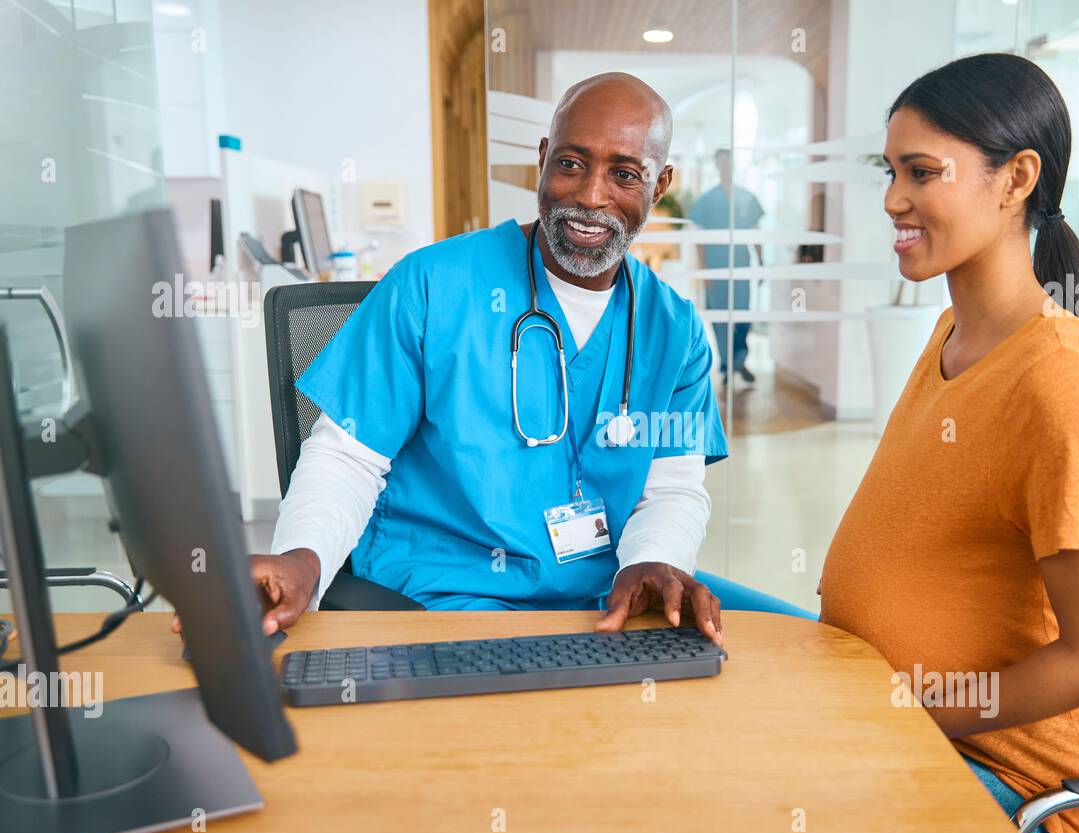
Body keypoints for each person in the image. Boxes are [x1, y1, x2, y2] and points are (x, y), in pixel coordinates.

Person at [175, 73, 727, 642]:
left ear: (660, 185)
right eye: (570, 163)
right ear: (542, 159)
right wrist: (302, 560)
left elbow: (671, 488)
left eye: (624, 174)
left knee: (775, 648)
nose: (590, 196)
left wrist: (653, 559)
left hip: (603, 600)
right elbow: (348, 458)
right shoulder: (433, 284)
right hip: (439, 602)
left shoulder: (675, 330)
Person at [819, 53, 1079, 833]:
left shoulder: (1057, 378)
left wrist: (920, 710)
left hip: (1029, 794)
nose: (895, 200)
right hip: (915, 733)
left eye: (923, 172)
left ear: (1016, 179)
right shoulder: (952, 334)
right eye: (891, 172)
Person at [689, 148, 763, 384]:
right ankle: (727, 365)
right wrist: (705, 272)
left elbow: (755, 233)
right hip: (717, 268)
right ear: (716, 166)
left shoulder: (746, 197)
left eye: (728, 162)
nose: (725, 167)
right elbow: (700, 240)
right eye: (721, 163)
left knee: (742, 316)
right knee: (721, 320)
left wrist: (761, 263)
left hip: (741, 266)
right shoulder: (707, 200)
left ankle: (740, 360)